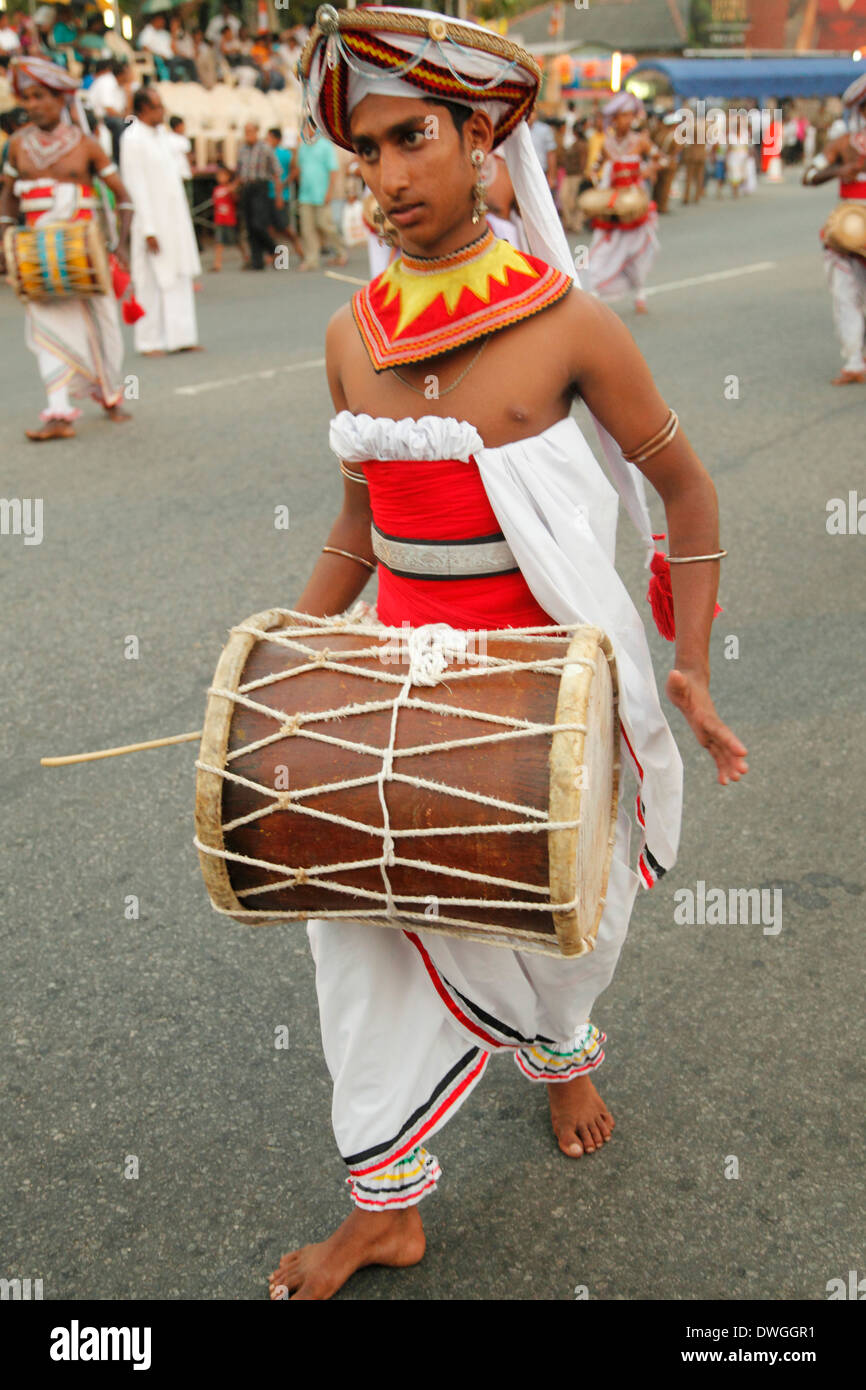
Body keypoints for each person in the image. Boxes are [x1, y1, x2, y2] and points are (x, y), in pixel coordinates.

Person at [265, 5, 747, 1303]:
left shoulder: (569, 325)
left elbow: (688, 496)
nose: (388, 176)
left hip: (543, 696)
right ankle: (384, 1206)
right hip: (388, 692)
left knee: (545, 909)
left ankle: (561, 1053)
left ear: (484, 136)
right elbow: (358, 528)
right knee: (354, 932)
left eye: (412, 137)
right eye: (364, 151)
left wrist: (684, 663)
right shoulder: (348, 337)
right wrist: (285, 664)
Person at [0, 57, 132, 441]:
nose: (33, 104)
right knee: (45, 324)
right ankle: (58, 412)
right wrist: (6, 237)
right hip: (36, 253)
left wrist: (119, 246)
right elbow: (6, 196)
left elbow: (123, 199)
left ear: (61, 99)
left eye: (40, 96)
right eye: (27, 97)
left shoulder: (87, 146)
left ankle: (109, 396)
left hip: (83, 251)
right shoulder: (18, 146)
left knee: (101, 324)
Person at [119, 87, 201, 354]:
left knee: (178, 276)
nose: (162, 111)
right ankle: (149, 341)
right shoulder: (132, 139)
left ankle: (181, 337)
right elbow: (136, 186)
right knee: (150, 282)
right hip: (150, 222)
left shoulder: (164, 136)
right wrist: (148, 229)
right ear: (142, 110)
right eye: (157, 106)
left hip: (175, 220)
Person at [803, 74, 866, 385]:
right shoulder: (842, 145)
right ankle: (854, 361)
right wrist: (841, 170)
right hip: (846, 231)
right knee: (844, 294)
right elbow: (809, 174)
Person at [587, 91, 660, 314]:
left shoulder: (641, 142)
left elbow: (661, 159)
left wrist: (645, 174)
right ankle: (594, 291)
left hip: (635, 205)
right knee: (603, 249)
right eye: (622, 116)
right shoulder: (606, 145)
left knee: (636, 250)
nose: (627, 121)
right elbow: (594, 169)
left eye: (630, 116)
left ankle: (640, 293)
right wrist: (599, 180)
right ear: (614, 119)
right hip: (613, 206)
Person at [292, 128, 347, 271]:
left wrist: (329, 192)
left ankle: (340, 251)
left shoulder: (325, 146)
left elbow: (333, 170)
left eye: (307, 127)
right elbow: (298, 168)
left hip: (322, 193)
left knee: (325, 224)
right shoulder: (303, 147)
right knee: (307, 228)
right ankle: (311, 259)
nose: (304, 130)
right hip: (306, 194)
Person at [235, 120, 282, 269]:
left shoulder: (265, 148)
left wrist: (279, 196)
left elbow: (276, 173)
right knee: (249, 226)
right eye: (246, 132)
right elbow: (239, 171)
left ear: (257, 132)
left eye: (251, 131)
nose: (248, 135)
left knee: (258, 224)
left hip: (260, 187)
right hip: (247, 188)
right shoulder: (242, 150)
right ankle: (257, 261)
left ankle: (274, 250)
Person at [210, 161, 238, 271]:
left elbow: (235, 200)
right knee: (219, 242)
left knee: (236, 240)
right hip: (220, 220)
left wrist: (232, 190)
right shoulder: (216, 190)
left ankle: (246, 257)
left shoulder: (230, 188)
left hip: (230, 219)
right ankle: (217, 264)